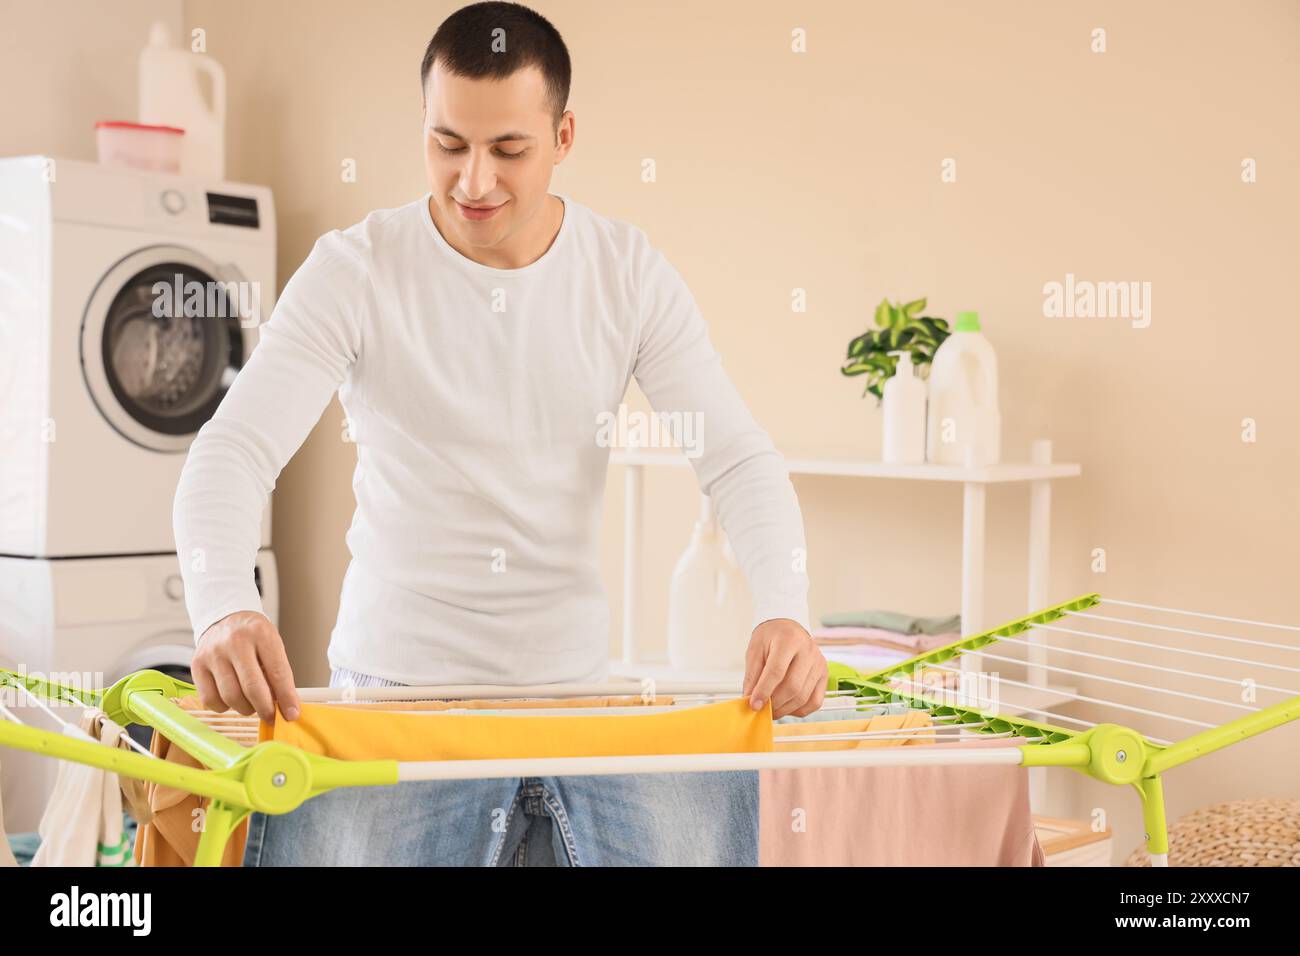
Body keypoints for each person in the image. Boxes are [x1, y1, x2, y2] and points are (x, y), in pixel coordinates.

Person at [174, 1, 826, 865]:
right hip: (391, 698)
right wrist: (223, 601)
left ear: (563, 135)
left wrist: (787, 608)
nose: (474, 181)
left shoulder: (626, 275)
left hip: (572, 698)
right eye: (448, 144)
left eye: (508, 150)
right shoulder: (356, 272)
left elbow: (737, 458)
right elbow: (233, 449)